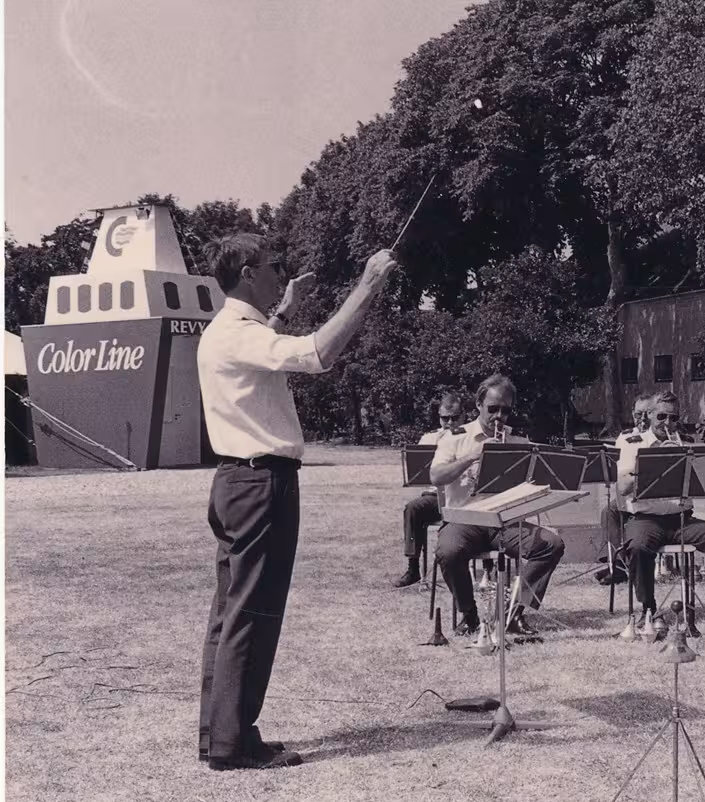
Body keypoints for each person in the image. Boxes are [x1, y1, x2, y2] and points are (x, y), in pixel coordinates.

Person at [198, 235, 395, 770]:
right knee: (251, 615)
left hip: (238, 481)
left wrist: (283, 309)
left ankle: (220, 735)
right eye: (274, 266)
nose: (281, 272)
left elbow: (265, 349)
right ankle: (233, 744)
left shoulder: (231, 331)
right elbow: (318, 353)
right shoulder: (239, 334)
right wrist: (369, 284)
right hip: (262, 484)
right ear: (245, 273)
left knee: (230, 613)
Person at [432, 375, 566, 638]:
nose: (499, 416)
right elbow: (436, 477)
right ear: (479, 405)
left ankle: (513, 613)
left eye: (506, 410)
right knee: (448, 551)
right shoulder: (456, 438)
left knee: (552, 544)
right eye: (493, 409)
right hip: (464, 518)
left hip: (503, 520)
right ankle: (470, 616)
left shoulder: (517, 442)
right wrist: (473, 455)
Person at [618, 391, 705, 629]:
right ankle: (648, 608)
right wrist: (651, 462)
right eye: (661, 417)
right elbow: (623, 487)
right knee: (637, 547)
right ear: (650, 415)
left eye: (673, 418)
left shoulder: (687, 445)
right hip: (646, 518)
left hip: (682, 519)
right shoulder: (633, 445)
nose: (667, 423)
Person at [394, 393, 465, 588]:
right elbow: (420, 470)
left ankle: (487, 568)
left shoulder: (470, 436)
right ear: (439, 417)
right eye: (445, 418)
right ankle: (413, 567)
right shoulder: (429, 437)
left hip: (463, 497)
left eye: (454, 417)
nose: (449, 423)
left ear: (464, 416)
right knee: (412, 509)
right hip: (435, 496)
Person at [596, 394, 655, 586]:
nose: (643, 419)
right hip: (631, 494)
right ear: (632, 414)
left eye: (648, 414)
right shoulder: (626, 436)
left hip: (654, 498)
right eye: (639, 414)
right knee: (609, 511)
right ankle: (617, 564)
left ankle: (619, 566)